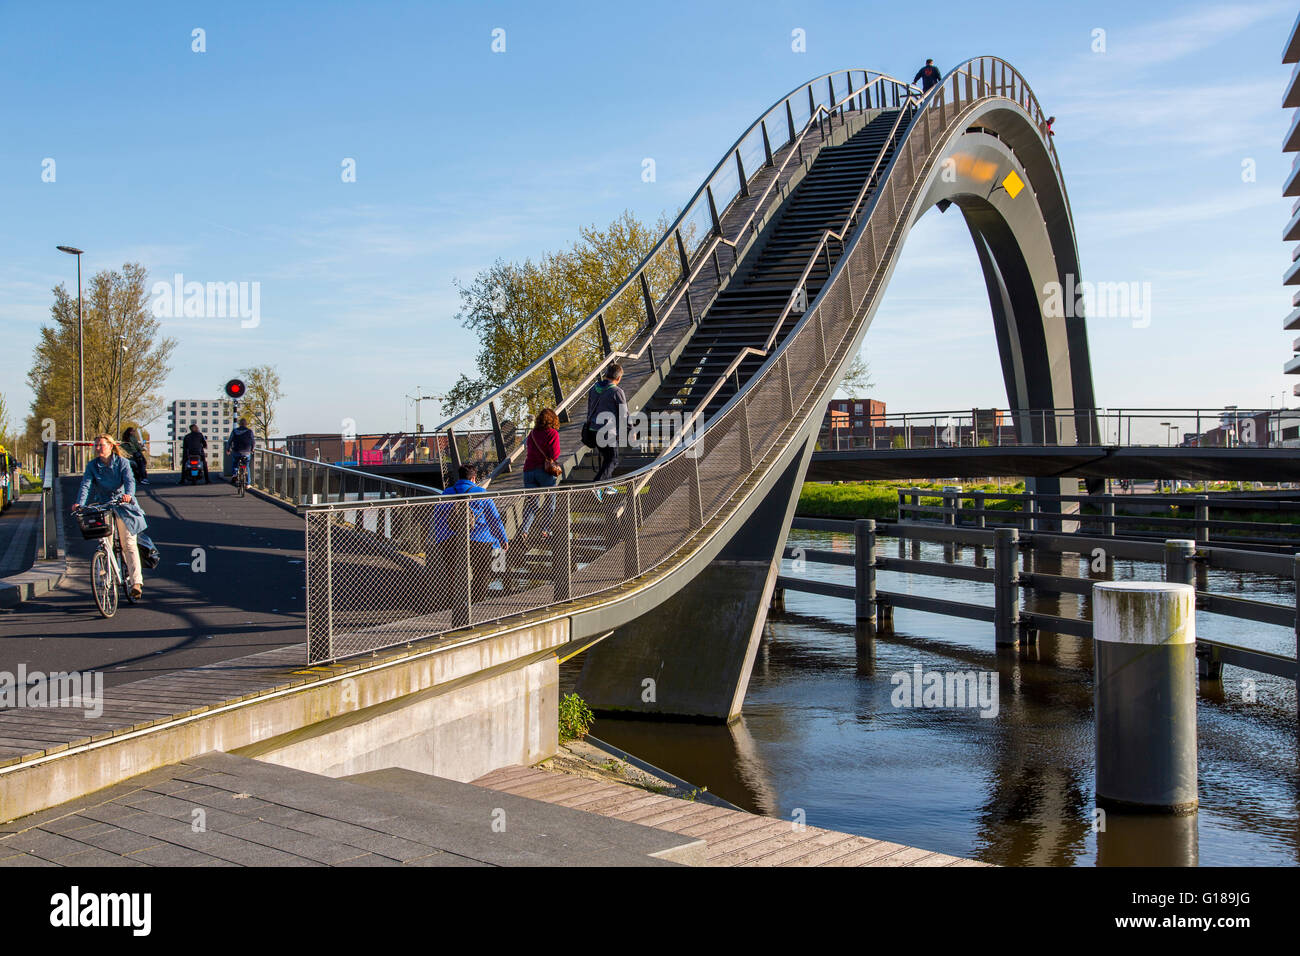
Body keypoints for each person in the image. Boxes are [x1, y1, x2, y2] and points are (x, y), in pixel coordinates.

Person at [73, 434, 148, 599]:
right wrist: (79, 503)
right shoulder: (93, 465)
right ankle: (107, 574)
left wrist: (128, 495)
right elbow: (86, 484)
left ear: (111, 446)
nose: (98, 448)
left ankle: (136, 582)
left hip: (123, 505)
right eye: (96, 445)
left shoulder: (122, 463)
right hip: (104, 505)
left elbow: (130, 481)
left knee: (128, 543)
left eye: (101, 445)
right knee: (105, 542)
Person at [432, 463, 509, 603]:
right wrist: (502, 538)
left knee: (452, 573)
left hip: (450, 540)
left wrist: (440, 538)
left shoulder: (447, 493)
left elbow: (438, 518)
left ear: (459, 477)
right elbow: (494, 518)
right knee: (481, 571)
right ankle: (475, 602)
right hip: (479, 540)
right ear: (473, 478)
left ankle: (455, 604)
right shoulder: (481, 493)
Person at [520, 408, 562, 538]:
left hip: (528, 471)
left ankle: (524, 531)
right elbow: (555, 454)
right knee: (550, 501)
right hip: (544, 471)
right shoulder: (552, 433)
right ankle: (545, 530)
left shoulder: (532, 434)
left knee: (532, 503)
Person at [585, 363, 627, 488]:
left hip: (593, 430)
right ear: (618, 378)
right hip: (607, 432)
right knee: (613, 460)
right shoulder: (617, 391)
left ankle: (607, 485)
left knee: (607, 458)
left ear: (606, 374)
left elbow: (589, 409)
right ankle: (597, 485)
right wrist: (630, 430)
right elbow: (624, 414)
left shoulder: (593, 389)